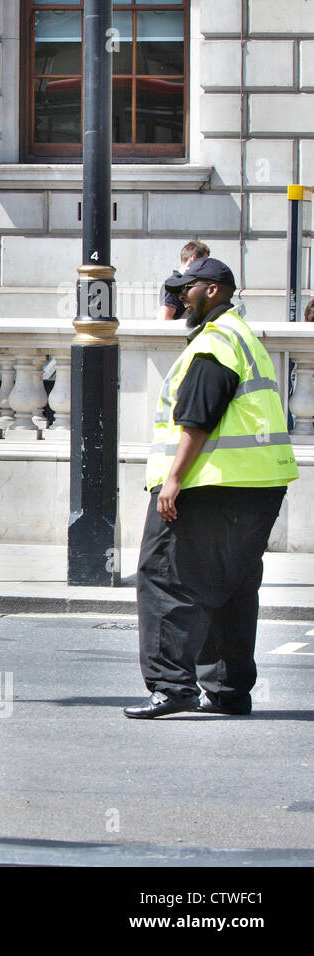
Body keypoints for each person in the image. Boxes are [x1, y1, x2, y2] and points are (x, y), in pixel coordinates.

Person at [124, 257, 298, 719]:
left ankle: (170, 686)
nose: (182, 297)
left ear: (215, 290)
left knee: (163, 577)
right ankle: (227, 690)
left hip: (209, 483)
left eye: (189, 288)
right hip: (258, 484)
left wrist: (174, 480)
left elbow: (196, 420)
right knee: (231, 584)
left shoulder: (214, 344)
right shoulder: (244, 338)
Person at [158, 240, 210, 322]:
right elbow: (165, 320)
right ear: (194, 259)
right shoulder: (172, 285)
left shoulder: (190, 283)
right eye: (203, 263)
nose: (205, 268)